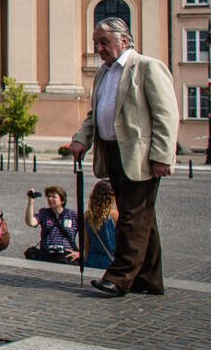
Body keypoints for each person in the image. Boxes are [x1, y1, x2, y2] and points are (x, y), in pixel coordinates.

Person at [70, 17, 179, 297]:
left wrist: (163, 155)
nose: (98, 48)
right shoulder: (103, 73)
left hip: (140, 156)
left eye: (104, 42)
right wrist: (82, 138)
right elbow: (96, 114)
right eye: (96, 42)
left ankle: (119, 278)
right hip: (114, 153)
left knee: (131, 216)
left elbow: (166, 115)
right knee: (143, 217)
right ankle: (149, 280)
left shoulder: (146, 67)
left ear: (124, 41)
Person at [23, 185, 80, 264]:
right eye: (48, 196)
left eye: (54, 197)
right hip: (46, 254)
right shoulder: (44, 213)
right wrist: (31, 201)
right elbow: (30, 222)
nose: (50, 199)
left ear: (62, 200)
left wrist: (80, 253)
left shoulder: (73, 215)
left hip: (66, 256)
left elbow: (87, 234)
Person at [85, 179, 119, 270]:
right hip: (111, 260)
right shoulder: (115, 215)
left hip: (92, 259)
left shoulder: (88, 215)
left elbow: (87, 242)